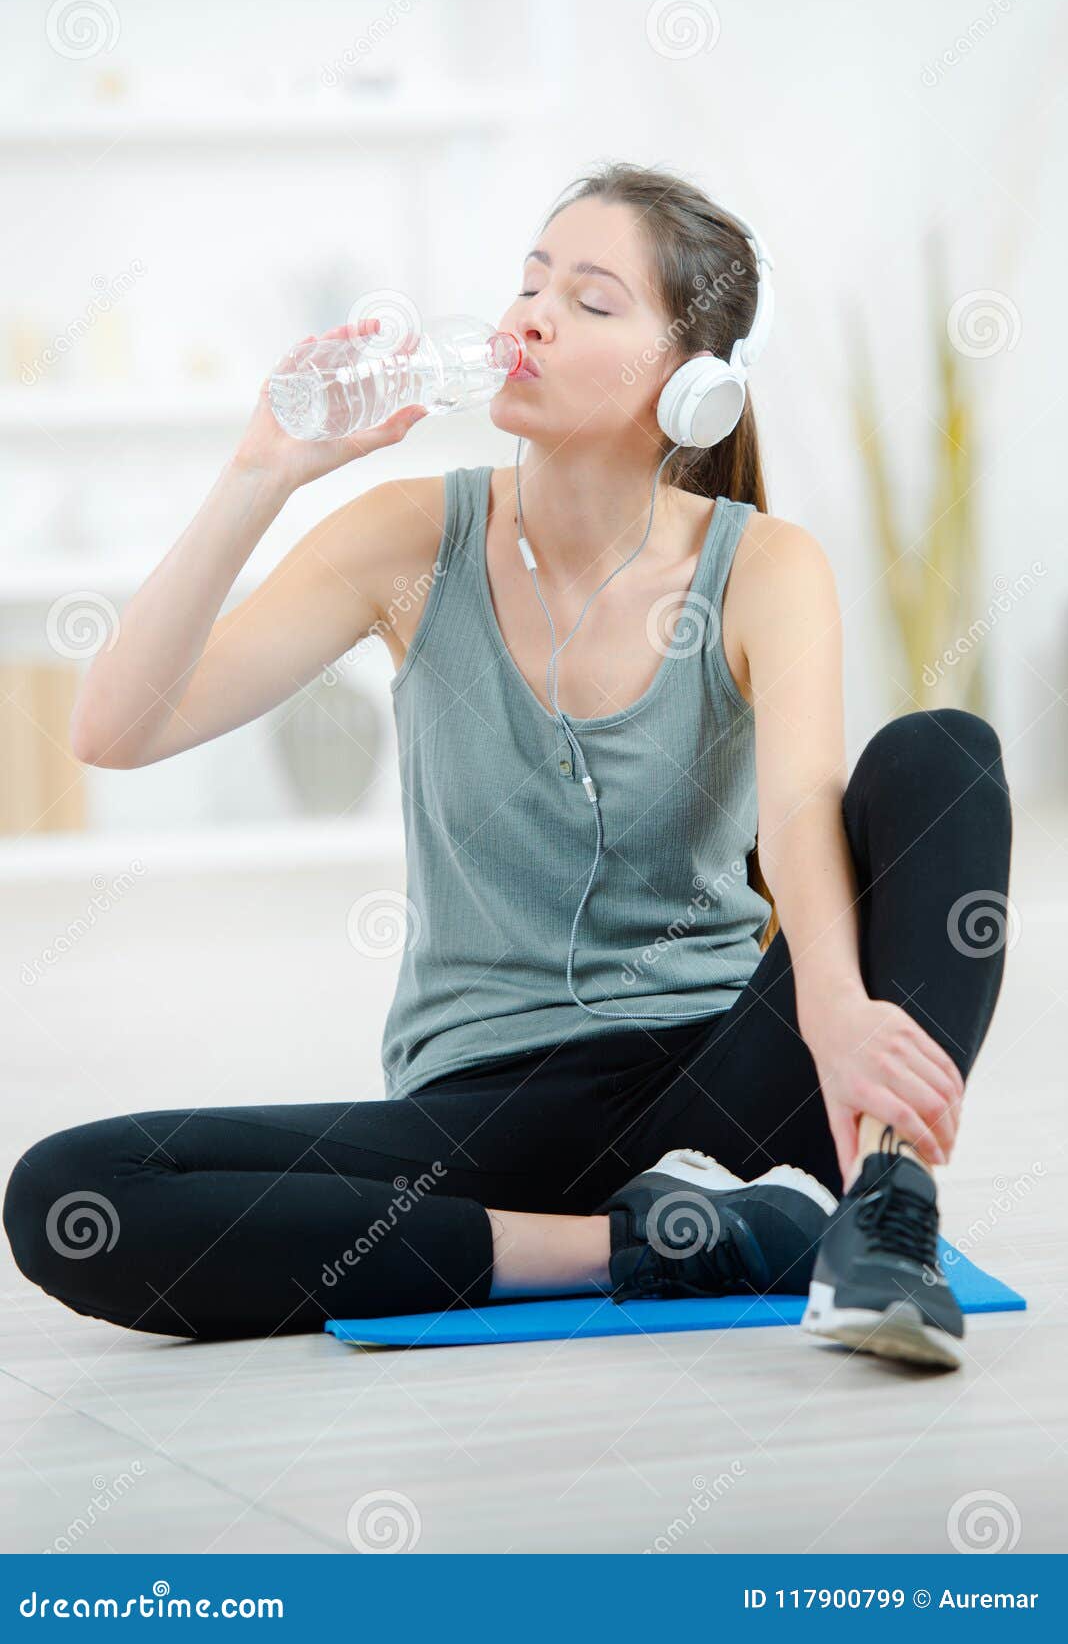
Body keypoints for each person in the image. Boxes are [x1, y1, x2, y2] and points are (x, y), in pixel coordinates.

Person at [4, 163, 1012, 1373]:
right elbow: (117, 729)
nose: (528, 315)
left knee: (942, 755)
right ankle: (638, 1247)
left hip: (723, 1075)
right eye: (529, 282)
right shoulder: (408, 536)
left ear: (691, 390)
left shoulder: (763, 565)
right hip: (483, 1112)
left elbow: (802, 807)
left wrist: (836, 1011)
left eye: (590, 301)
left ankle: (885, 1211)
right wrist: (262, 471)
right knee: (74, 1190)